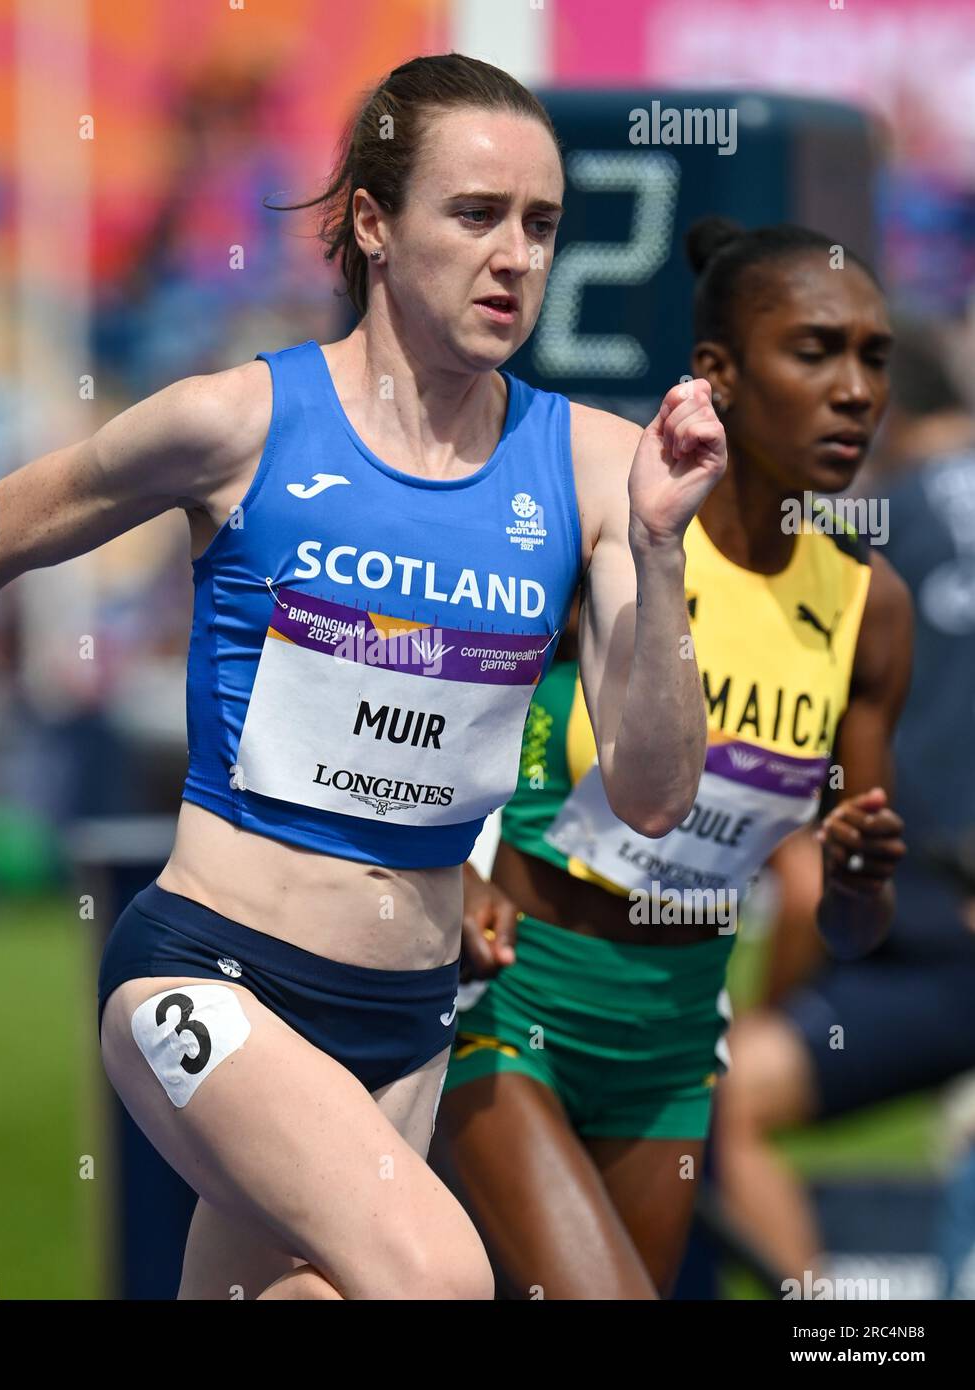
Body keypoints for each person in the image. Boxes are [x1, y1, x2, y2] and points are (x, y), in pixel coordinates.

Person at [0, 53, 726, 1301]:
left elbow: (650, 795)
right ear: (373, 222)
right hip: (210, 972)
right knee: (434, 1277)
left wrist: (658, 545)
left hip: (409, 1020)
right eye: (475, 215)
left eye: (541, 225)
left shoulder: (598, 468)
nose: (517, 257)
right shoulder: (239, 423)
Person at [432, 217, 914, 1299]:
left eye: (874, 358)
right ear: (720, 375)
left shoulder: (869, 610)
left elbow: (855, 927)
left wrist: (854, 880)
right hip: (518, 1005)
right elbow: (420, 704)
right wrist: (443, 870)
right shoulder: (615, 530)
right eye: (816, 350)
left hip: (677, 1050)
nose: (854, 389)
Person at [714, 318, 975, 1285]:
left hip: (924, 945)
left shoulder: (864, 549)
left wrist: (784, 995)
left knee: (718, 1097)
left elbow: (806, 847)